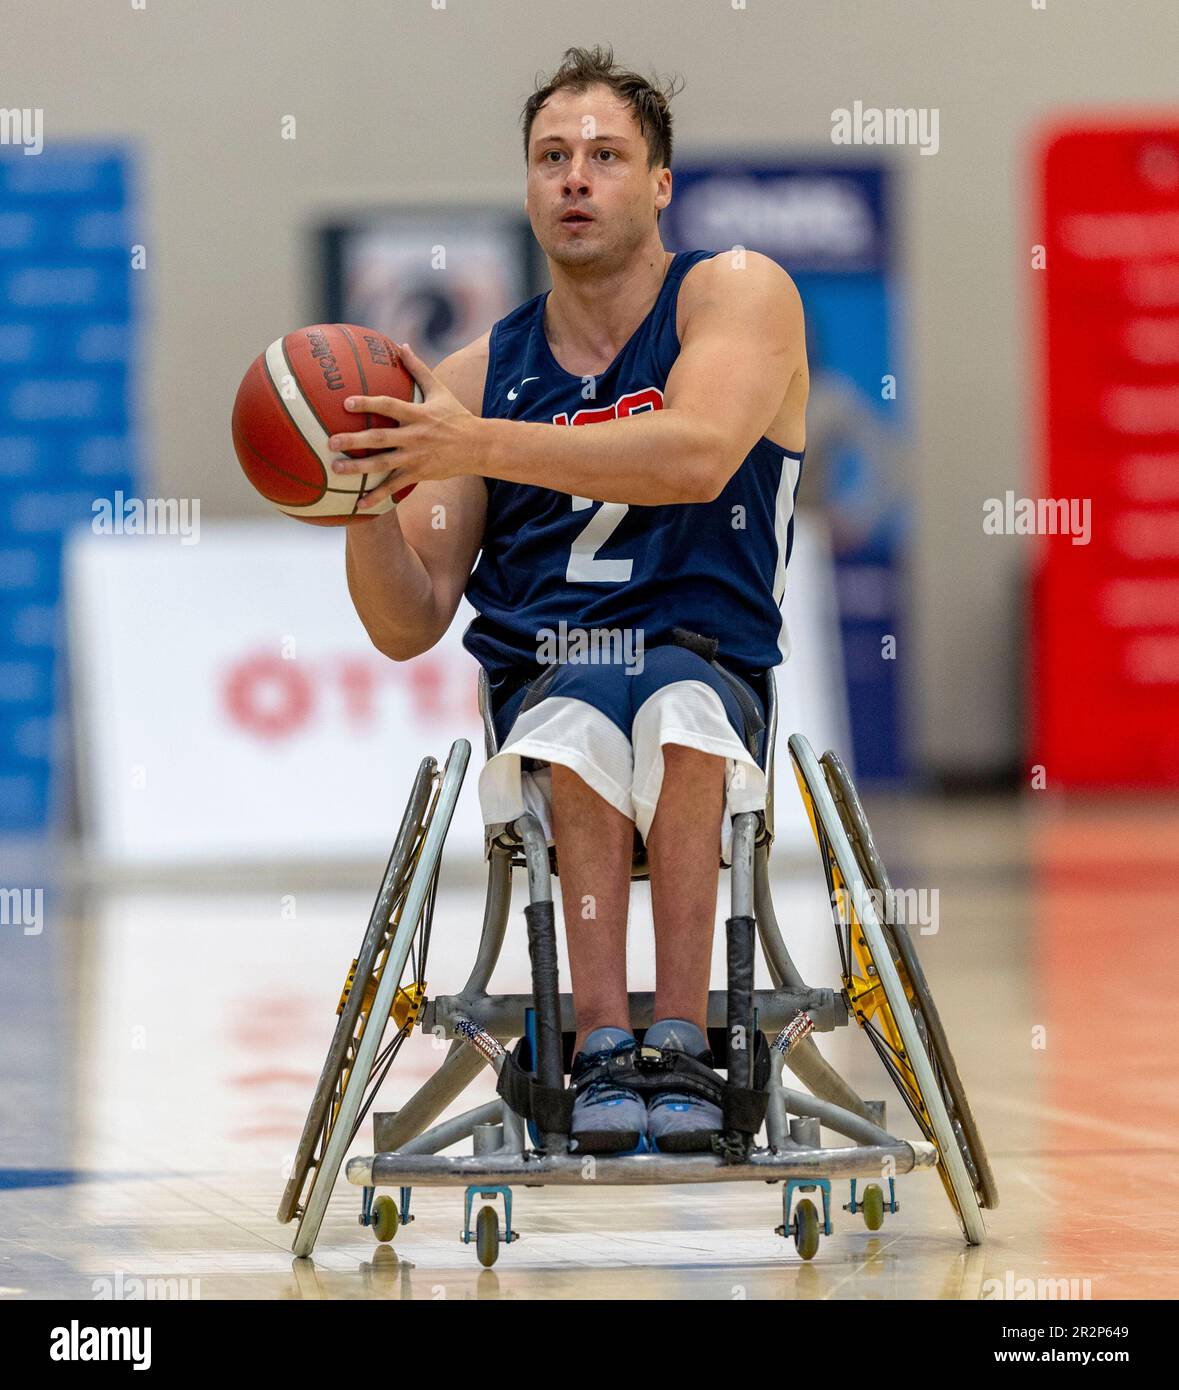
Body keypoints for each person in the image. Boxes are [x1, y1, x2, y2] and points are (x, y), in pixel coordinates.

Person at [336, 45, 808, 1155]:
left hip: (712, 658)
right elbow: (409, 621)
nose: (575, 178)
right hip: (549, 671)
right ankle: (601, 1044)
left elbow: (694, 456)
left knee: (676, 698)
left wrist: (475, 441)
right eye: (552, 157)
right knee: (583, 707)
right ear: (528, 184)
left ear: (660, 184)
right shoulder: (471, 378)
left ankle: (687, 1035)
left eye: (606, 155)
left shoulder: (735, 291)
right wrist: (358, 497)